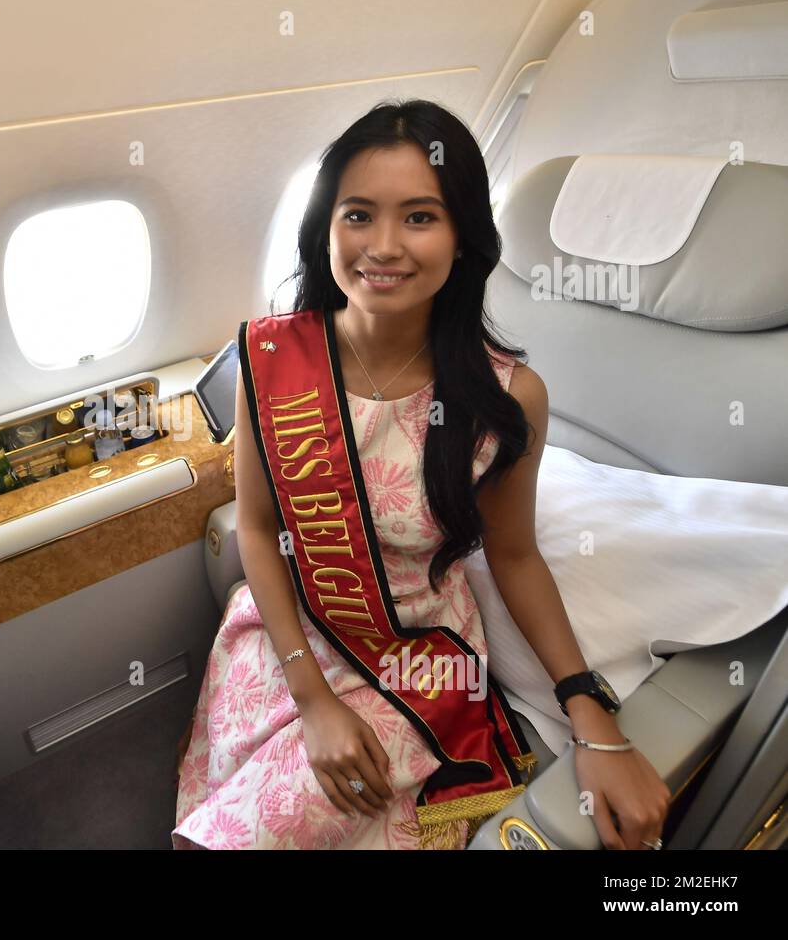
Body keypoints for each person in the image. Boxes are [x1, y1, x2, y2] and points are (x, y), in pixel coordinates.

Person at [172, 98, 671, 850]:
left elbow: (514, 555)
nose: (383, 246)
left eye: (419, 217)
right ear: (326, 226)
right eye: (359, 214)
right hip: (290, 630)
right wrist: (310, 695)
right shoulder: (270, 360)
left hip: (412, 656)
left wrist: (588, 711)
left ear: (463, 234)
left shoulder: (504, 397)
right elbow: (257, 527)